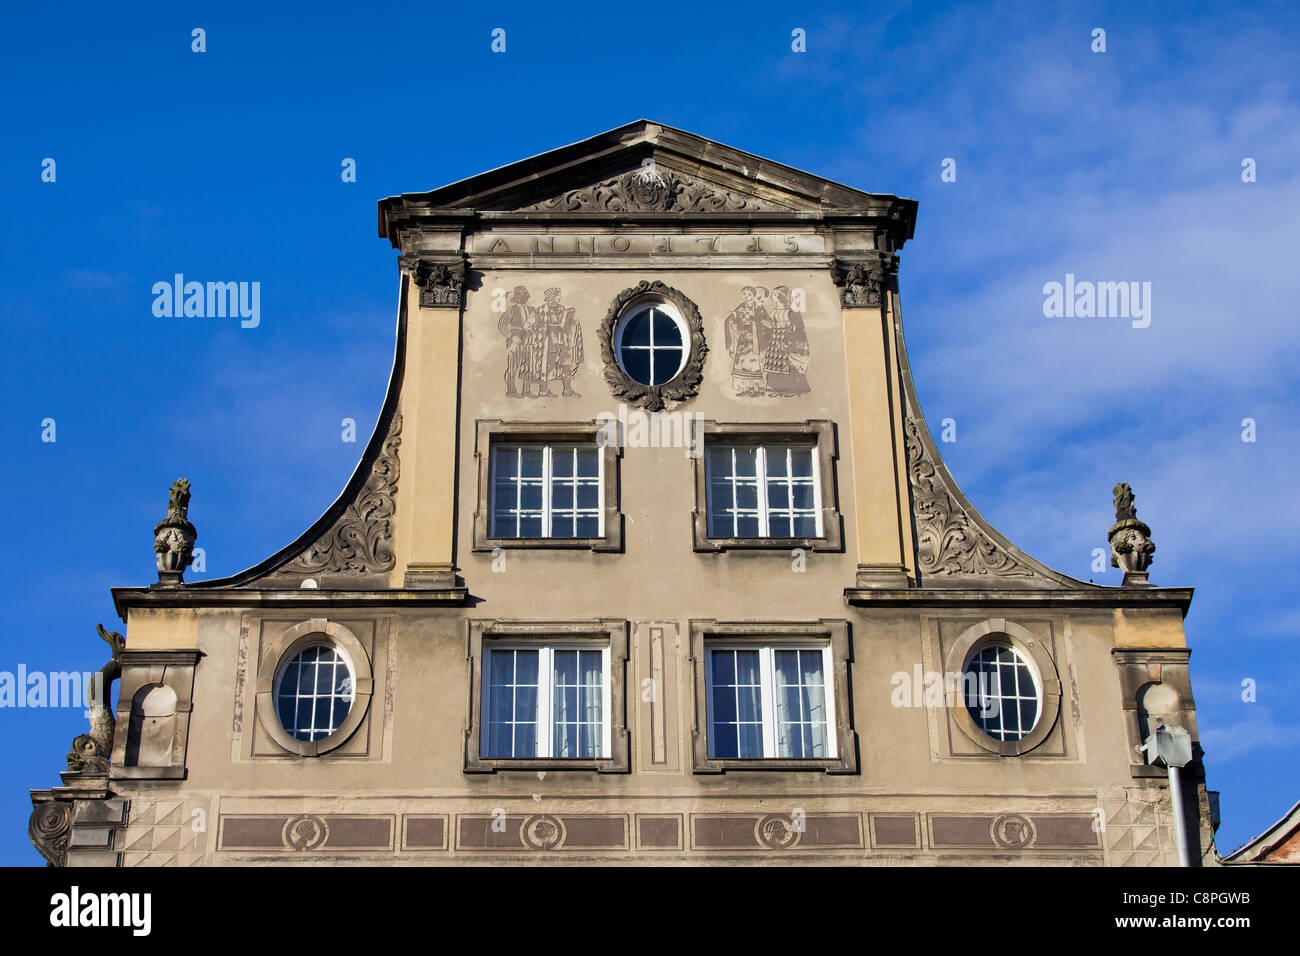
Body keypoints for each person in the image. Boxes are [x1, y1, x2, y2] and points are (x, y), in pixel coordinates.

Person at [761, 286, 810, 394]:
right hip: (775, 338)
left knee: (788, 363)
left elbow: (799, 328)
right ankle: (776, 387)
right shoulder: (774, 311)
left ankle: (793, 388)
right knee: (774, 361)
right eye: (772, 294)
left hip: (786, 338)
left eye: (774, 294)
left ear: (781, 296)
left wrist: (788, 341)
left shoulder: (791, 311)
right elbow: (771, 325)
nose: (772, 297)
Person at [537, 287, 583, 397]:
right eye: (558, 296)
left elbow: (566, 322)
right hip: (549, 342)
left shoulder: (562, 309)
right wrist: (552, 327)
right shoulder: (542, 309)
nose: (560, 297)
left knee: (567, 364)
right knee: (548, 365)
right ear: (552, 297)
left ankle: (567, 390)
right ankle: (543, 390)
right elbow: (538, 326)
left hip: (563, 340)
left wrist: (573, 321)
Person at [724, 286, 768, 395]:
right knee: (742, 362)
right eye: (744, 294)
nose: (746, 296)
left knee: (754, 363)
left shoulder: (758, 306)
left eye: (748, 294)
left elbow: (765, 320)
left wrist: (756, 320)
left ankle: (757, 389)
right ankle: (745, 388)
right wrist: (734, 317)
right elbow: (733, 319)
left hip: (754, 339)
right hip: (743, 339)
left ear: (753, 295)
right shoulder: (741, 306)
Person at [498, 286, 534, 397]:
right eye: (520, 295)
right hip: (515, 341)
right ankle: (511, 390)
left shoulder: (532, 310)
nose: (523, 297)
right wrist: (511, 336)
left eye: (525, 295)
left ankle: (526, 390)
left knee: (529, 366)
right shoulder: (511, 309)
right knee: (513, 366)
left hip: (529, 341)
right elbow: (502, 325)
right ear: (516, 296)